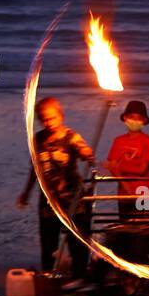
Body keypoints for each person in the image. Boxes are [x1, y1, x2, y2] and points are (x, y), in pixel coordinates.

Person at [16, 97, 94, 278]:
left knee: (77, 242)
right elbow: (35, 169)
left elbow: (86, 153)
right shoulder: (38, 139)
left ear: (61, 116)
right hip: (49, 201)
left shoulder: (71, 137)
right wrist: (26, 193)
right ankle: (49, 278)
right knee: (49, 242)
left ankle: (79, 277)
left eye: (52, 118)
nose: (48, 122)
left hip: (73, 200)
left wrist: (86, 154)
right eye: (44, 119)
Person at [104, 100, 149, 220]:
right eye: (132, 117)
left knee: (142, 224)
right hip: (123, 193)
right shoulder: (118, 141)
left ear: (144, 121)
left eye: (138, 118)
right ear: (125, 118)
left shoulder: (148, 141)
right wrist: (126, 186)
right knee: (125, 225)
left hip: (143, 191)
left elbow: (142, 169)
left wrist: (118, 167)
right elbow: (112, 167)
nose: (134, 121)